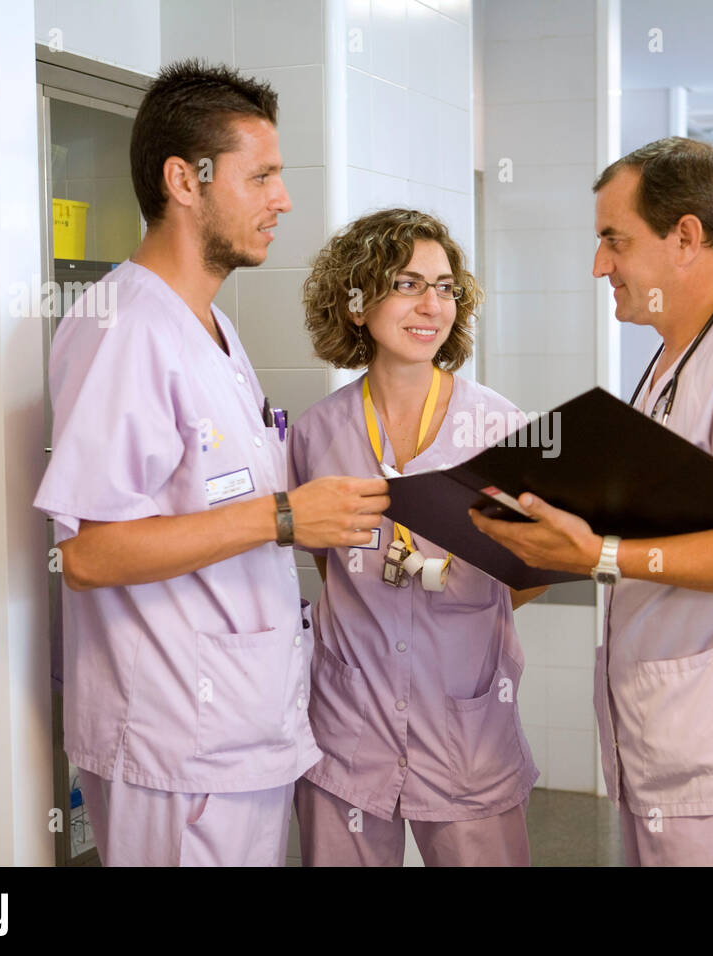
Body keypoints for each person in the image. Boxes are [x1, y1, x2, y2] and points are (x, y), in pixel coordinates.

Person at [470, 137, 713, 866]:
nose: (600, 265)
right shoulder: (667, 363)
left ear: (685, 236)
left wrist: (600, 553)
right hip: (673, 741)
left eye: (613, 240)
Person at [33, 60, 389, 867]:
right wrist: (286, 517)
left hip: (233, 731)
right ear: (183, 181)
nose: (283, 200)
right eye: (260, 175)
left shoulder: (211, 332)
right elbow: (90, 553)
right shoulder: (124, 330)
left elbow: (204, 510)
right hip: (175, 743)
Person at [287, 208, 544, 866]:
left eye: (445, 286)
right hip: (348, 729)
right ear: (356, 301)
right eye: (406, 284)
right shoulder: (317, 434)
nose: (432, 304)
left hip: (465, 733)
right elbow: (327, 564)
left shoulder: (501, 429)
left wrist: (465, 591)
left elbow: (541, 566)